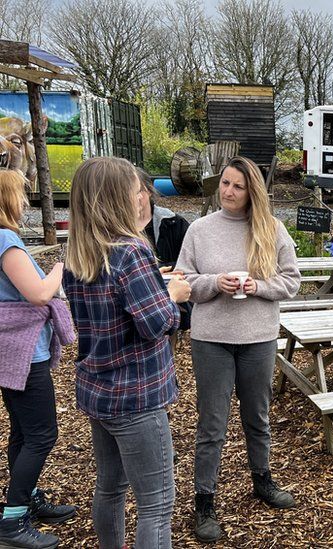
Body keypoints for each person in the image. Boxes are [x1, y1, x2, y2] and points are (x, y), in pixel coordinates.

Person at [63, 157, 192, 549]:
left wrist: (155, 288)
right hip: (136, 397)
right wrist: (172, 294)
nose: (142, 196)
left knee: (110, 487)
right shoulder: (131, 252)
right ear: (117, 197)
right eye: (135, 190)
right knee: (156, 504)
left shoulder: (79, 252)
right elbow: (156, 324)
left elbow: (111, 312)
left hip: (98, 392)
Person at [176, 156, 301, 543]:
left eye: (237, 186)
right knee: (212, 424)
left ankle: (262, 481)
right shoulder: (199, 229)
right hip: (211, 339)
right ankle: (204, 501)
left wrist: (257, 287)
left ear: (252, 192)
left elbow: (291, 281)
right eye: (224, 184)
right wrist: (216, 282)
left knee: (257, 418)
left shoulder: (272, 230)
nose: (228, 192)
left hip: (258, 338)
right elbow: (183, 281)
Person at [0, 170, 76, 549]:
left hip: (10, 353)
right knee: (43, 435)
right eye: (20, 194)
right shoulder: (5, 240)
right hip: (24, 354)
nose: (24, 201)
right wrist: (58, 269)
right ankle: (12, 522)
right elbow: (38, 294)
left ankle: (25, 500)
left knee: (23, 433)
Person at [135, 169, 192, 330]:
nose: (137, 197)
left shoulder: (173, 222)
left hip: (172, 293)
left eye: (139, 190)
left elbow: (189, 260)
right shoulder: (116, 230)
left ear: (149, 190)